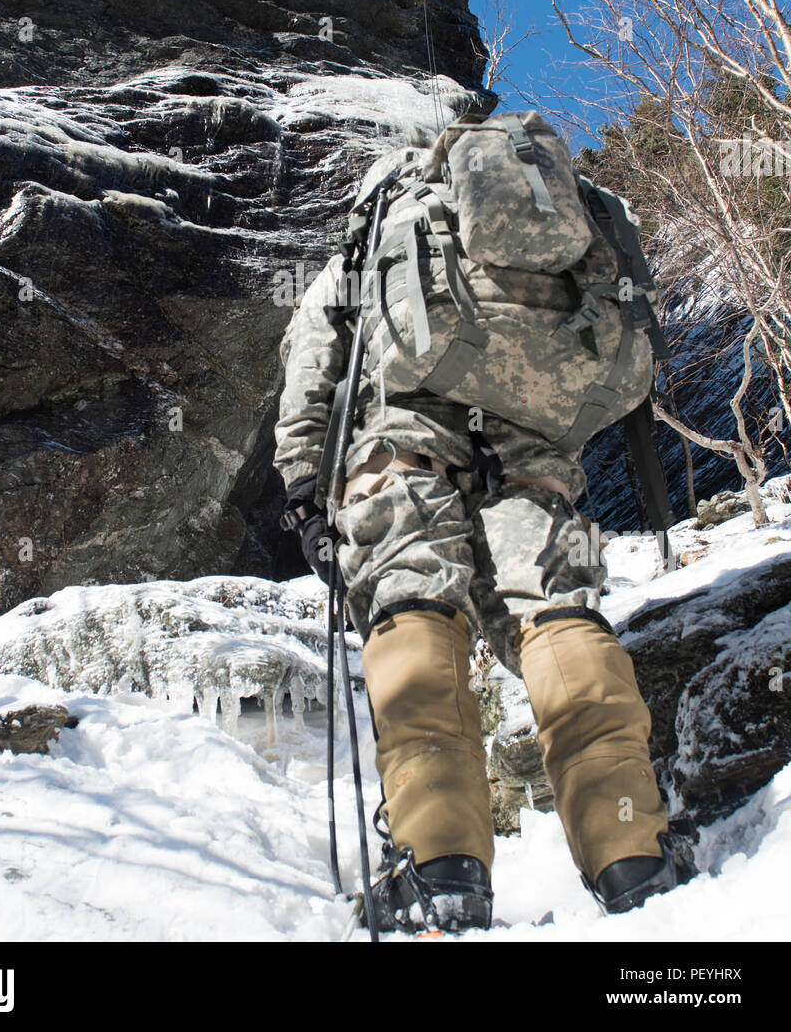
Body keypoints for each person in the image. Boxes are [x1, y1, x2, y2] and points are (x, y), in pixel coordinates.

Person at [273, 105, 697, 934]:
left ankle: (441, 869)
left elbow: (312, 368)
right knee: (556, 614)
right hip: (533, 452)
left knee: (413, 608)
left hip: (399, 447)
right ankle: (631, 854)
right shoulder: (563, 216)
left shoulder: (372, 240)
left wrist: (301, 489)